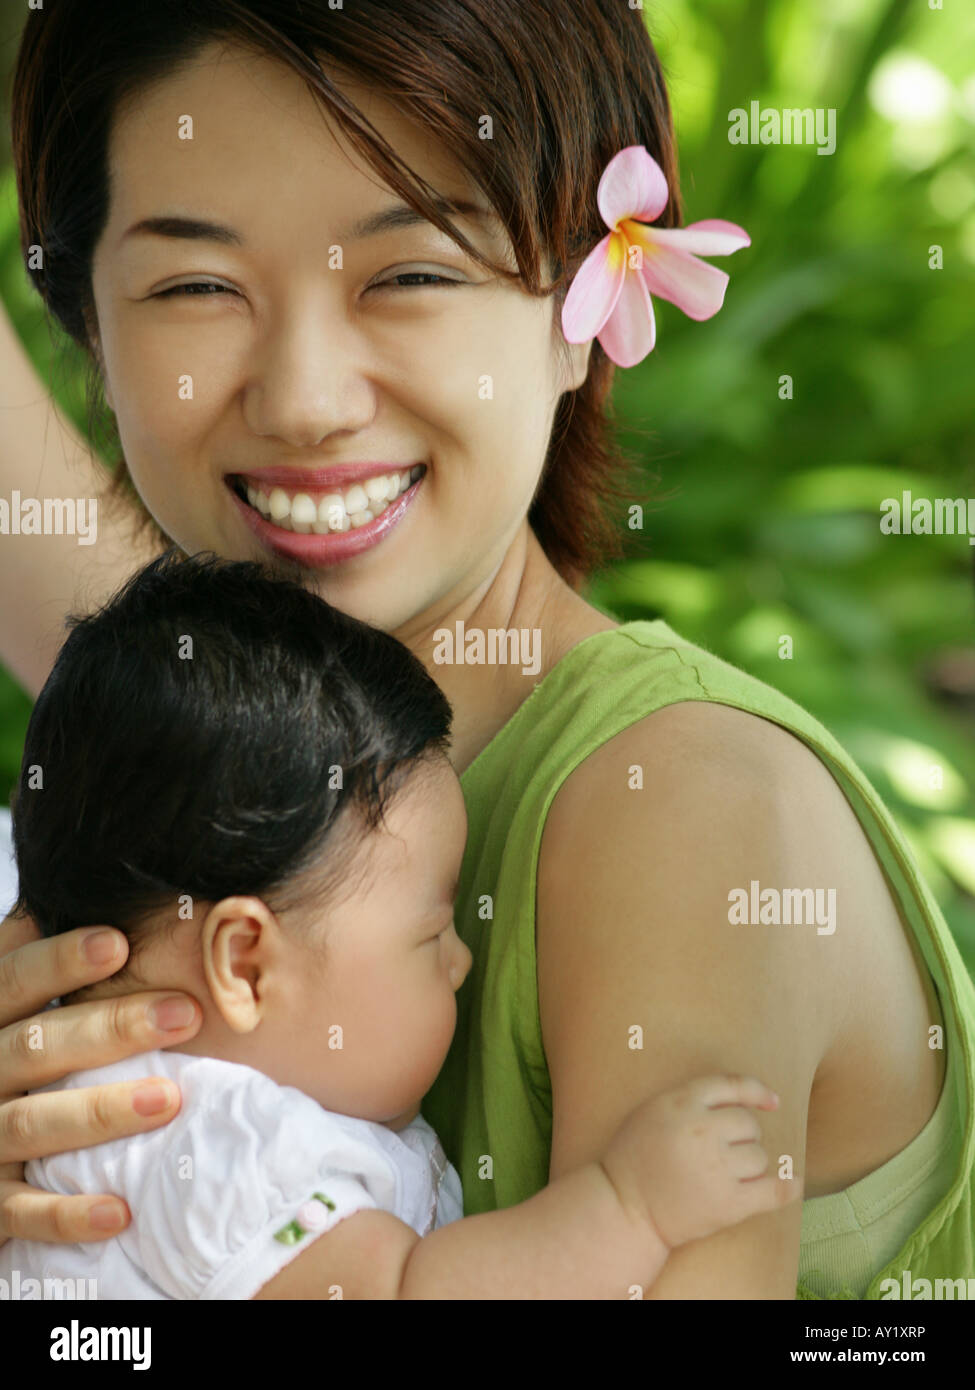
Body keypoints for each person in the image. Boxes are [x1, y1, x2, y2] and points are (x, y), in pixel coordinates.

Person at [0, 0, 972, 1300]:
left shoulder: (681, 815)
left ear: (586, 304)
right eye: (193, 285)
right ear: (90, 330)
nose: (301, 398)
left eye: (407, 274)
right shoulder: (185, 726)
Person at [0, 548, 793, 1298]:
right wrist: (628, 1207)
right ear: (245, 964)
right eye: (430, 934)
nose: (461, 962)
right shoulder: (212, 1140)